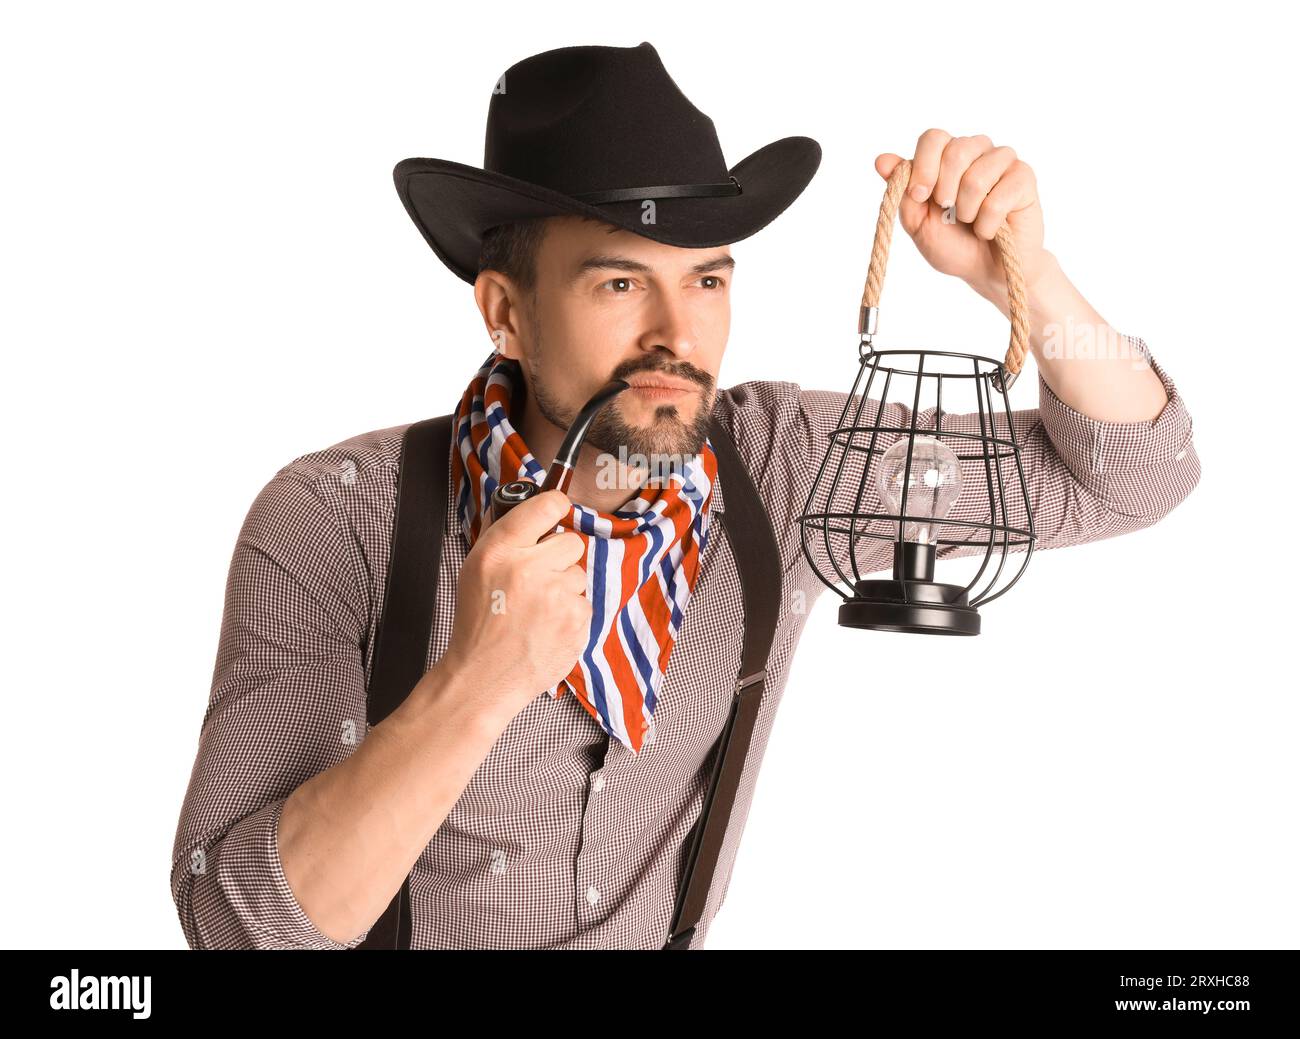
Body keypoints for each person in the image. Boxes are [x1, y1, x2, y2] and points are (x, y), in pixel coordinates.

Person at [170, 42, 1200, 950]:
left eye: (707, 280)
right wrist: (473, 686)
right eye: (619, 284)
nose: (678, 333)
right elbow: (234, 926)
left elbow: (1132, 475)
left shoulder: (782, 468)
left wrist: (1025, 277)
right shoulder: (336, 519)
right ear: (505, 313)